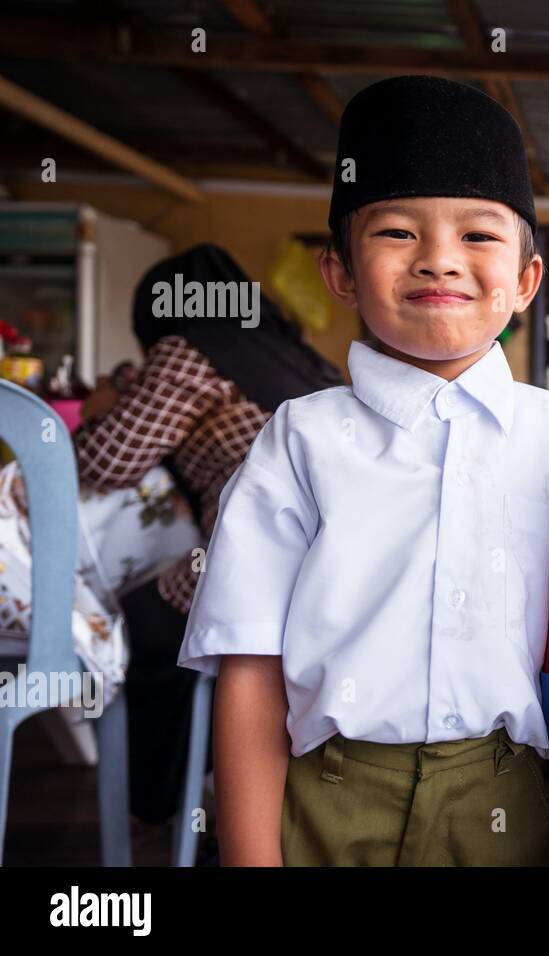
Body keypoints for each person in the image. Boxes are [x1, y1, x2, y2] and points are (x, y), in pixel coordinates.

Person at [179, 75, 549, 866]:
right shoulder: (300, 440)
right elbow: (251, 674)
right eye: (397, 232)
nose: (440, 260)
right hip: (329, 806)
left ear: (526, 282)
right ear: (339, 273)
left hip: (514, 807)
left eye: (478, 236)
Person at [72, 243, 344, 825]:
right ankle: (212, 796)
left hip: (257, 564)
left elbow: (106, 461)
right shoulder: (291, 357)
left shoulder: (188, 351)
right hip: (333, 569)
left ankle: (157, 808)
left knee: (135, 625)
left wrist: (98, 409)